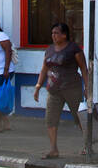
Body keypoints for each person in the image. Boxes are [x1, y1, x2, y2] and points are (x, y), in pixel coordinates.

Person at [33, 22, 90, 158]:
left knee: (79, 118)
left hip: (71, 88)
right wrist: (38, 86)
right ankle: (53, 149)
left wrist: (87, 88)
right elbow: (44, 69)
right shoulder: (49, 50)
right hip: (53, 90)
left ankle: (88, 146)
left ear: (64, 35)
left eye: (57, 33)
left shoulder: (73, 49)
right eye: (52, 33)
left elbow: (83, 68)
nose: (54, 36)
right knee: (50, 119)